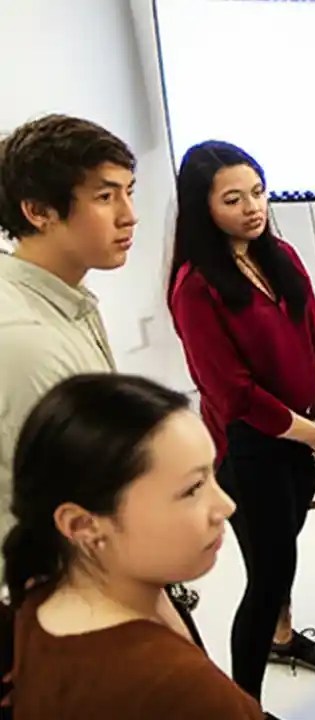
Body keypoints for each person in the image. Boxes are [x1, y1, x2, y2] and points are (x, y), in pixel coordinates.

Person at [167, 140, 315, 706]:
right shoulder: (196, 286)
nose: (253, 207)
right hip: (251, 451)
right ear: (203, 207)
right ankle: (244, 701)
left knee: (282, 552)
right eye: (233, 199)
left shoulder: (281, 255)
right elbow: (233, 394)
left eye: (258, 192)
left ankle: (284, 638)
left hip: (305, 439)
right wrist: (311, 431)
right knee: (266, 578)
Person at [0, 373, 263, 718]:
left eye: (212, 475)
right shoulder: (180, 690)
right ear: (83, 524)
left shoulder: (40, 603)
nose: (226, 506)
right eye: (192, 488)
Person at [0, 114, 138, 579]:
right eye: (105, 196)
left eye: (128, 191)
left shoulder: (64, 298)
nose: (129, 215)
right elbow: (79, 496)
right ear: (38, 211)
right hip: (51, 591)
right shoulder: (25, 335)